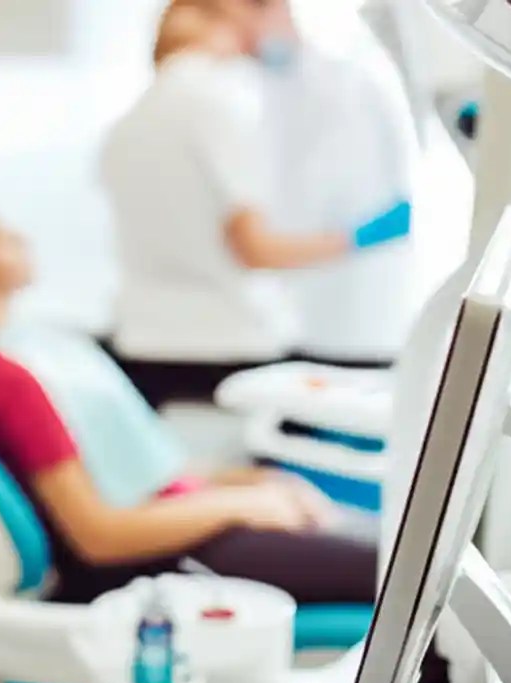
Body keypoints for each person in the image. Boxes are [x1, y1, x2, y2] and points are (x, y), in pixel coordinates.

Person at [0, 196, 378, 607]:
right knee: (401, 578)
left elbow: (124, 472)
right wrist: (241, 505)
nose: (23, 238)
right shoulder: (2, 378)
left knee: (393, 552)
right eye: (1, 235)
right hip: (161, 561)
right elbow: (99, 534)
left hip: (180, 522)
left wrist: (249, 484)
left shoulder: (24, 350)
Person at [99, 0, 412, 410]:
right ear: (237, 14)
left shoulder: (128, 123)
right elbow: (254, 248)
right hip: (228, 349)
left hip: (145, 344)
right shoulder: (219, 100)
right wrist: (356, 239)